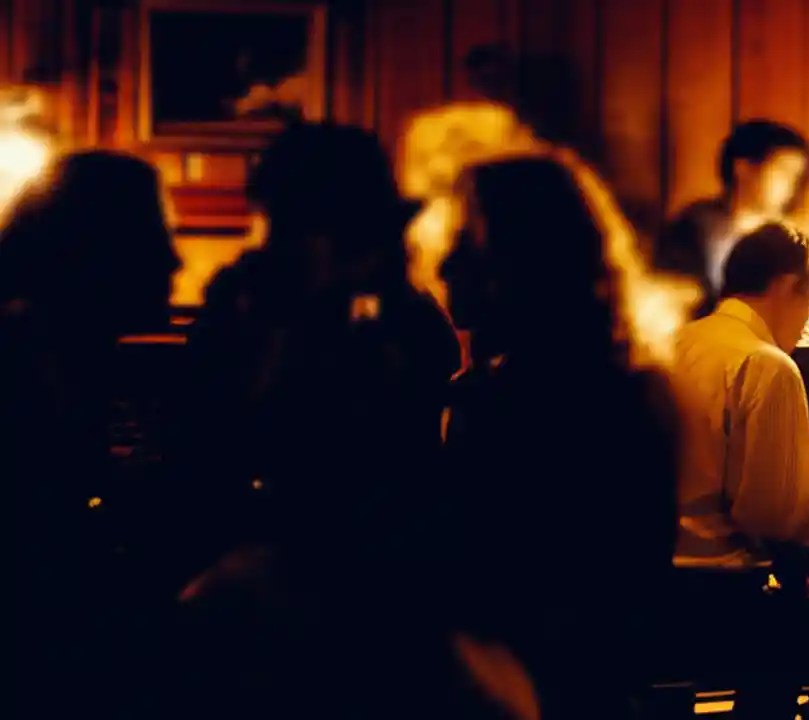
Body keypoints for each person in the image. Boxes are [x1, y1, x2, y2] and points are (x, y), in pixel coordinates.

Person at [169, 123, 471, 717]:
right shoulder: (246, 303)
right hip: (259, 589)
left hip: (372, 594)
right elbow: (202, 450)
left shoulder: (397, 318)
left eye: (284, 224)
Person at [435, 151, 686, 718]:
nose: (445, 264)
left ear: (523, 259)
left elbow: (490, 589)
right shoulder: (625, 383)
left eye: (466, 243)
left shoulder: (540, 400)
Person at [667, 222, 809, 719]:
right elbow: (772, 517)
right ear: (786, 284)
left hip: (651, 582)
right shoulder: (766, 365)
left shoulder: (679, 342)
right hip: (718, 597)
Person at [2, 150, 182, 715]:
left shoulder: (58, 348)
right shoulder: (24, 362)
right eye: (156, 236)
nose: (175, 260)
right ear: (98, 252)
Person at [654, 119, 809, 318]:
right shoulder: (694, 226)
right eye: (782, 171)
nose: (790, 185)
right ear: (743, 168)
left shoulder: (789, 239)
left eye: (795, 176)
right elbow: (670, 291)